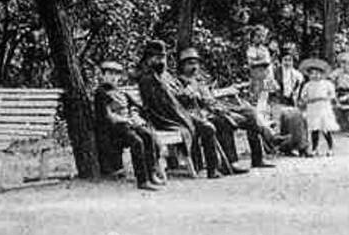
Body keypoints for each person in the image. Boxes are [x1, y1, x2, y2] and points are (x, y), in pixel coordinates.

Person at [137, 38, 231, 179]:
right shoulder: (147, 79)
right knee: (207, 127)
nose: (162, 61)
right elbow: (160, 105)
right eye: (158, 58)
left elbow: (174, 95)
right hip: (164, 118)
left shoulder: (165, 75)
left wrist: (186, 95)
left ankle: (213, 169)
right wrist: (181, 106)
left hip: (178, 113)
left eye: (163, 57)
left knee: (208, 126)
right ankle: (209, 168)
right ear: (149, 59)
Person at [177, 48, 274, 169]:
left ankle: (258, 158)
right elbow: (183, 99)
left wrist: (221, 93)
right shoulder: (180, 82)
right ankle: (231, 162)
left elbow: (210, 94)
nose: (194, 66)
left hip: (217, 105)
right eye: (190, 63)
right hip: (203, 113)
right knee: (223, 121)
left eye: (196, 63)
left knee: (250, 112)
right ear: (182, 65)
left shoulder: (199, 79)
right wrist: (192, 95)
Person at [93, 60, 164, 191]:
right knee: (137, 142)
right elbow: (107, 116)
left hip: (127, 125)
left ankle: (151, 173)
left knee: (148, 136)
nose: (114, 78)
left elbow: (135, 107)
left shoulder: (120, 91)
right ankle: (142, 180)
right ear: (102, 76)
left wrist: (135, 116)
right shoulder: (101, 93)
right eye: (110, 74)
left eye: (117, 74)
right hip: (113, 130)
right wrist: (126, 120)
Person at [269, 51, 310, 156]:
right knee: (284, 118)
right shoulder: (274, 73)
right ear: (281, 61)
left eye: (290, 60)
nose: (287, 63)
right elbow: (270, 90)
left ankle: (302, 147)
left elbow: (300, 92)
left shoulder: (296, 75)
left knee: (300, 117)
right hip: (276, 102)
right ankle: (285, 147)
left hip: (290, 102)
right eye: (285, 60)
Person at [298, 58, 339, 155]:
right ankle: (314, 148)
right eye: (312, 73)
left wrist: (324, 98)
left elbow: (332, 95)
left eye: (318, 73)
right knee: (314, 129)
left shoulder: (327, 84)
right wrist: (306, 100)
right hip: (313, 108)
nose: (315, 76)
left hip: (324, 108)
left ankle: (330, 148)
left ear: (322, 74)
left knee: (325, 129)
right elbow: (303, 97)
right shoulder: (307, 85)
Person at [246, 26, 273, 113]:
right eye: (257, 36)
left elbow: (268, 62)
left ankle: (265, 117)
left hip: (266, 77)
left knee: (265, 98)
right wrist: (263, 61)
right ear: (253, 38)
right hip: (256, 77)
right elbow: (251, 63)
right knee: (255, 99)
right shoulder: (251, 49)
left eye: (262, 36)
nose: (260, 39)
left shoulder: (264, 49)